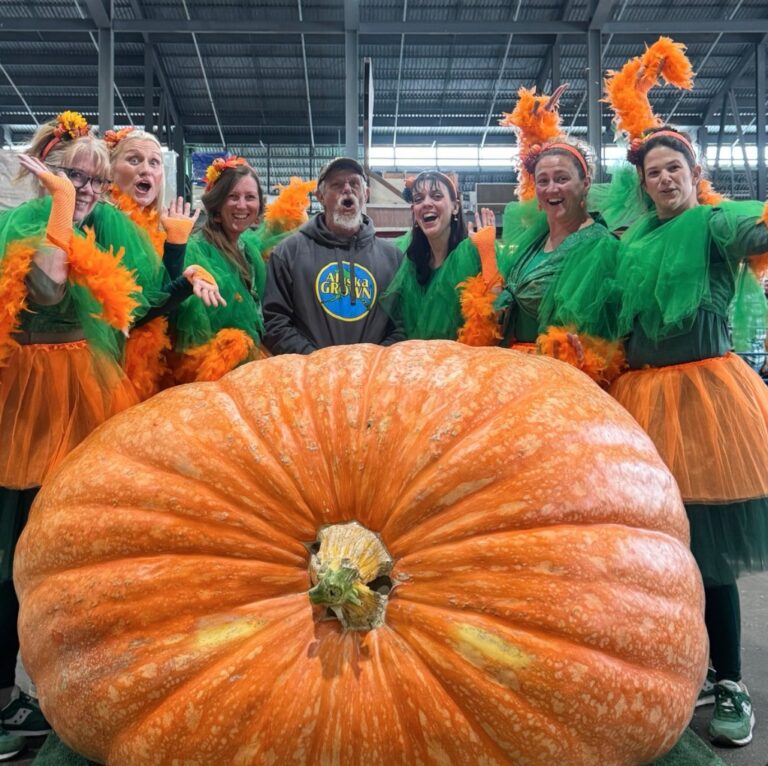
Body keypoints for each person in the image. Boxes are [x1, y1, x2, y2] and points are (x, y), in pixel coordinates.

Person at [604, 38, 768, 748]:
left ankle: (730, 681)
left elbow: (754, 227)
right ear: (642, 183)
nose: (665, 178)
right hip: (641, 403)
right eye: (655, 171)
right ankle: (689, 665)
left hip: (706, 405)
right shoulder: (631, 240)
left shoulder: (714, 222)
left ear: (694, 174)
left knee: (711, 552)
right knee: (656, 549)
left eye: (675, 168)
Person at [0, 113, 164, 758]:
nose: (88, 186)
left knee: (82, 540)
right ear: (45, 175)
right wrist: (62, 205)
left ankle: (74, 682)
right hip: (32, 398)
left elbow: (136, 303)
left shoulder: (108, 227)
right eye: (73, 174)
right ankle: (10, 698)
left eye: (95, 178)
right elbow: (44, 288)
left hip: (91, 388)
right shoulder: (27, 222)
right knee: (17, 549)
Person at [496, 86, 622, 384]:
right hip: (514, 375)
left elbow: (603, 333)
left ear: (585, 184)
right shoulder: (532, 243)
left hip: (561, 382)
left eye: (562, 179)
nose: (552, 188)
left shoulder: (600, 246)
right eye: (543, 181)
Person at [106, 127, 224, 398]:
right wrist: (186, 279)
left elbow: (164, 313)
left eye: (154, 162)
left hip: (148, 368)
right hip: (110, 370)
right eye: (134, 160)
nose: (145, 169)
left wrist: (175, 244)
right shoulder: (105, 222)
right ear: (110, 169)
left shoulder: (154, 230)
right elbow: (133, 313)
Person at [173, 157, 315, 381]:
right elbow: (187, 322)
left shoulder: (247, 246)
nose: (242, 205)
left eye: (250, 197)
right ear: (217, 204)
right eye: (233, 197)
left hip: (253, 364)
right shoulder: (197, 250)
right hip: (217, 374)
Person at [262, 157, 403, 354]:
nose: (347, 189)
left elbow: (403, 323)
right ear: (320, 196)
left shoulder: (394, 258)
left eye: (354, 183)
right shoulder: (288, 253)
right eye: (336, 184)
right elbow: (274, 321)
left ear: (366, 194)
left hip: (372, 378)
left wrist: (374, 361)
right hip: (310, 379)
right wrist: (317, 362)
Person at [381, 170, 501, 344]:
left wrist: (488, 254)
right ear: (414, 211)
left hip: (468, 363)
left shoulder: (474, 251)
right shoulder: (411, 262)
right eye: (418, 199)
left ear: (455, 207)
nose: (426, 203)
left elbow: (497, 314)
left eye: (436, 196)